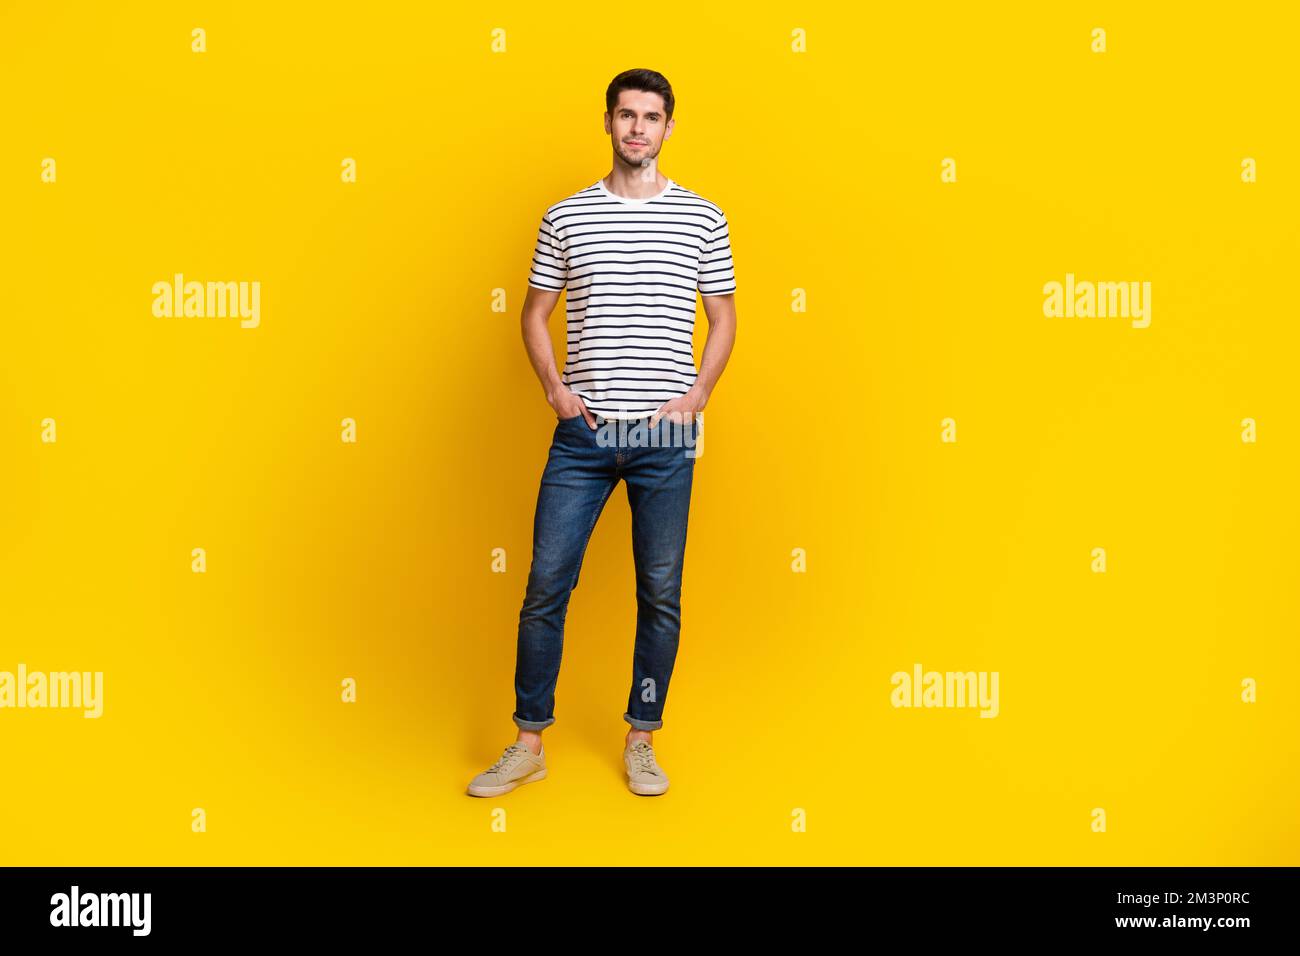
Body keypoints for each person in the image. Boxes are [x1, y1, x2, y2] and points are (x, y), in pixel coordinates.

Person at [467, 68, 738, 797]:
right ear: (610, 123)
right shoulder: (567, 217)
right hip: (583, 437)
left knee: (660, 589)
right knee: (546, 583)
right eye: (627, 115)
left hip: (667, 441)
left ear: (669, 127)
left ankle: (642, 739)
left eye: (652, 117)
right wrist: (554, 388)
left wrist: (699, 393)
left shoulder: (702, 219)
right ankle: (528, 743)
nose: (639, 128)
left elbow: (724, 317)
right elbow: (532, 313)